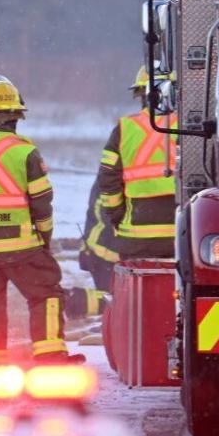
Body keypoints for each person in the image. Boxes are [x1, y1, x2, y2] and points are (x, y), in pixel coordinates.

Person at [0, 75, 81, 363]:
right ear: (17, 117)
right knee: (45, 293)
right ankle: (50, 355)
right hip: (21, 248)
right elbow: (42, 207)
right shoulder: (26, 154)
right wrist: (43, 243)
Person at [85, 67, 178, 292]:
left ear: (143, 94)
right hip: (183, 234)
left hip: (137, 237)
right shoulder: (192, 126)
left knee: (138, 299)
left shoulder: (126, 128)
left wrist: (118, 218)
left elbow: (107, 183)